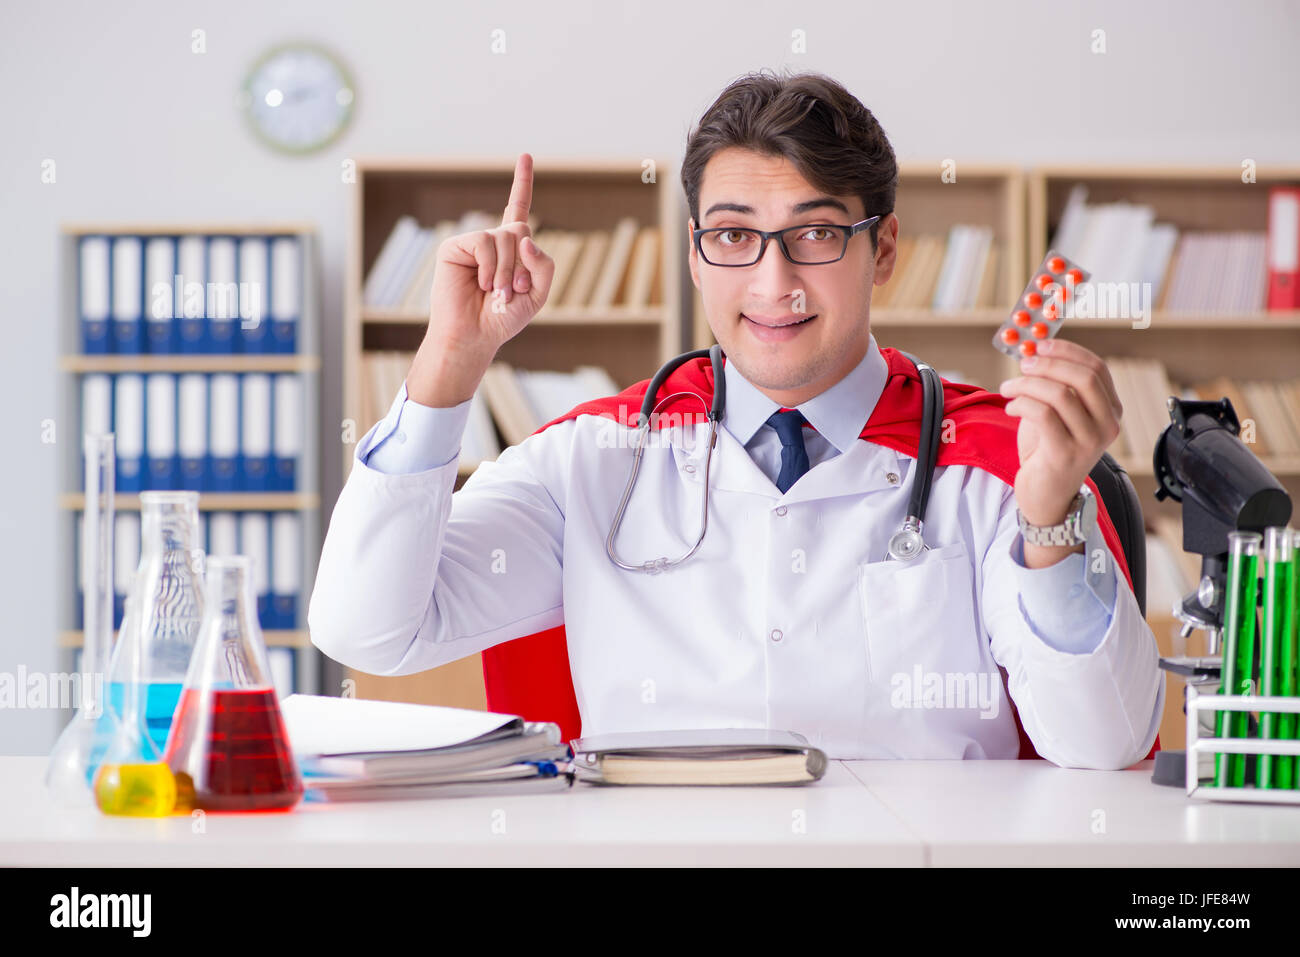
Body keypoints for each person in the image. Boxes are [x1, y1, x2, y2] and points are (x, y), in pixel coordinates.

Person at [309, 69, 1163, 768]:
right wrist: (449, 365)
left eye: (817, 234)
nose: (771, 281)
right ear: (693, 252)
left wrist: (1050, 520)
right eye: (732, 236)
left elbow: (1105, 745)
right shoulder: (596, 457)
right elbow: (370, 630)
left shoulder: (992, 460)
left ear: (886, 251)